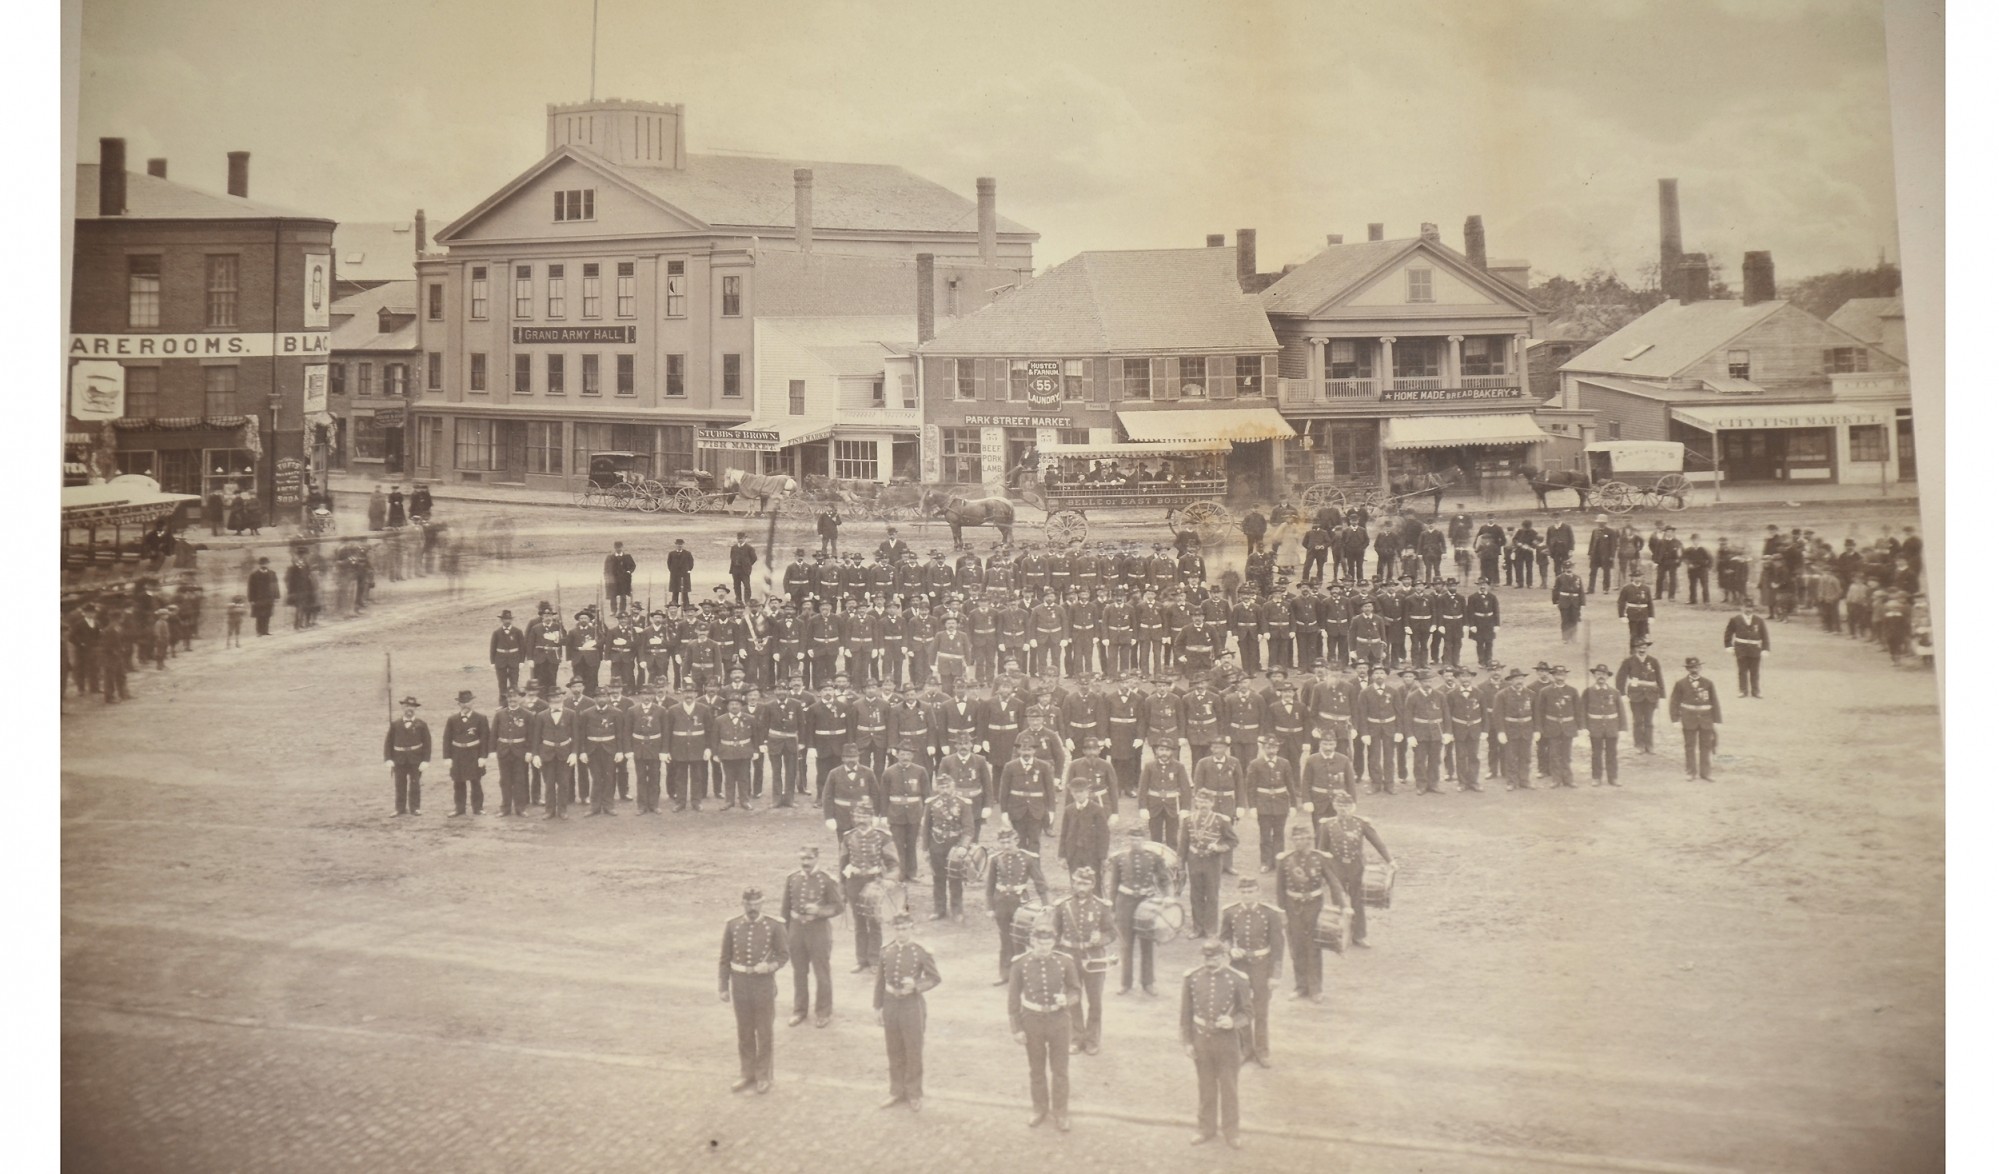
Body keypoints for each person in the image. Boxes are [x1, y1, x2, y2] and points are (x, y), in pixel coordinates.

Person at [1181, 938, 1252, 1149]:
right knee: (1206, 1087)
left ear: (1224, 957)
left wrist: (1233, 1021)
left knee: (1229, 1088)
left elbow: (1248, 1012)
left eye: (1213, 958)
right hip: (1201, 1039)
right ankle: (1205, 1128)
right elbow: (1186, 1014)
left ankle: (1231, 1132)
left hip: (1227, 1043)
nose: (1209, 962)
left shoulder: (1238, 979)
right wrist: (1187, 1042)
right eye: (1206, 957)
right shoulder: (1192, 978)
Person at [1009, 924, 1080, 1132]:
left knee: (1060, 1070)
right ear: (1032, 942)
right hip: (1032, 1020)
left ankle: (1061, 1112)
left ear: (1054, 943)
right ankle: (1039, 1108)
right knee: (1036, 1069)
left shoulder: (1065, 962)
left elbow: (1076, 991)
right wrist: (1016, 1028)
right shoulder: (1020, 964)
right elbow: (1013, 1000)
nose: (1044, 948)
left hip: (1059, 1022)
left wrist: (1066, 999)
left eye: (1048, 944)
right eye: (1040, 944)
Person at [718, 886, 789, 1095]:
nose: (752, 907)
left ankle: (763, 1075)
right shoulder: (732, 926)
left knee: (764, 1031)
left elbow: (784, 955)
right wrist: (723, 986)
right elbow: (724, 959)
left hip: (763, 986)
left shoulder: (774, 926)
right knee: (744, 1031)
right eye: (748, 903)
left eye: (756, 903)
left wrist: (769, 966)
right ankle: (746, 1073)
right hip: (739, 984)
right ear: (743, 903)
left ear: (762, 903)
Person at [873, 910, 941, 1112]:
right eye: (897, 928)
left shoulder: (920, 952)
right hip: (891, 1004)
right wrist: (878, 1007)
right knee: (893, 1049)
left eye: (904, 928)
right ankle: (896, 1090)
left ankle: (914, 1093)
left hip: (912, 1006)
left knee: (913, 1050)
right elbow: (879, 982)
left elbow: (934, 978)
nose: (901, 932)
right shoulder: (886, 951)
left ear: (911, 928)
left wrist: (916, 985)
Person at [1218, 874, 1285, 1067]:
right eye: (1243, 892)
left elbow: (1278, 947)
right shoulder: (1231, 912)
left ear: (1258, 892)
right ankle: (1245, 1049)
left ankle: (1262, 1051)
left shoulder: (1270, 914)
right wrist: (1231, 949)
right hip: (1239, 967)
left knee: (1261, 1011)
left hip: (1262, 966)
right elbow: (1223, 938)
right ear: (1238, 892)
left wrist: (1275, 975)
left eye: (1251, 891)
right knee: (1241, 1008)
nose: (1247, 895)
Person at [1276, 823, 1348, 1002]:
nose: (1299, 842)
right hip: (1293, 908)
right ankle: (1300, 986)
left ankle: (1315, 988)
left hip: (1314, 907)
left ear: (1310, 840)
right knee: (1297, 946)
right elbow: (1280, 889)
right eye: (1296, 839)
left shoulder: (1320, 859)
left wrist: (1343, 906)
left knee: (1313, 947)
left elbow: (1333, 883)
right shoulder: (1285, 860)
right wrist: (1282, 912)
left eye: (1303, 838)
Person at [1052, 865, 1115, 1055]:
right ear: (1073, 882)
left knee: (1095, 1002)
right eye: (1078, 882)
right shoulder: (1062, 906)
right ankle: (1076, 1038)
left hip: (1094, 959)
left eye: (1085, 884)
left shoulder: (1101, 906)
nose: (1081, 887)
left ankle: (1092, 1040)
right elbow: (1055, 935)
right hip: (1070, 958)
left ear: (1093, 885)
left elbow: (1111, 932)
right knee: (1073, 999)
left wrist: (1101, 938)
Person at [1317, 789, 1392, 947]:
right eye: (1339, 805)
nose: (1343, 809)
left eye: (1346, 806)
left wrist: (1390, 860)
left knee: (1357, 901)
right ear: (1334, 806)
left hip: (1356, 868)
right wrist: (1322, 873)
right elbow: (1322, 851)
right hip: (1336, 868)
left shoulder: (1360, 823)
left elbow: (1377, 842)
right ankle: (1338, 935)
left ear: (1352, 807)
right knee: (1339, 902)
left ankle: (1359, 936)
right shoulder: (1327, 825)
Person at [781, 845, 844, 1028]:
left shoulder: (826, 880)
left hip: (818, 932)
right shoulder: (792, 879)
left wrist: (819, 910)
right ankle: (799, 1010)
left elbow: (838, 907)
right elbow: (785, 909)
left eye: (809, 859)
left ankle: (824, 1012)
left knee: (821, 973)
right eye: (802, 859)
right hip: (796, 931)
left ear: (817, 858)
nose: (805, 863)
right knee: (799, 972)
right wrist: (785, 934)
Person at [1107, 823, 1173, 996]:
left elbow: (1165, 879)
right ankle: (1125, 983)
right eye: (1132, 839)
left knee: (1147, 944)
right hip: (1125, 904)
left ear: (1144, 840)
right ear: (1129, 840)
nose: (1135, 842)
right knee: (1126, 945)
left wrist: (1168, 897)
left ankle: (1148, 983)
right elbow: (1113, 885)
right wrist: (1111, 907)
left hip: (1146, 904)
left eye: (1138, 839)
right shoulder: (1119, 859)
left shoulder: (1154, 858)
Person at [841, 799, 899, 972]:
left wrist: (889, 879)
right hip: (854, 882)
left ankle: (874, 960)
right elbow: (842, 863)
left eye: (864, 815)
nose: (860, 819)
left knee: (874, 922)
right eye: (857, 815)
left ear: (871, 817)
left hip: (874, 882)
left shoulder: (883, 836)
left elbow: (894, 863)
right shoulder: (848, 837)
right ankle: (861, 959)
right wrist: (842, 888)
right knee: (859, 922)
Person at [986, 825, 1049, 983]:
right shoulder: (995, 859)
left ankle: (1022, 975)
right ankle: (1005, 975)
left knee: (1020, 938)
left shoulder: (1028, 858)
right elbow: (989, 886)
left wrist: (1046, 903)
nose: (1006, 846)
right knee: (1005, 939)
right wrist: (989, 907)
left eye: (1009, 842)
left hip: (1020, 903)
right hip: (1001, 903)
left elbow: (1039, 882)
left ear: (1016, 840)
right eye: (1002, 842)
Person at [1178, 789, 1238, 939]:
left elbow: (1233, 840)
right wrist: (1181, 866)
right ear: (1196, 802)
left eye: (1206, 802)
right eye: (1200, 801)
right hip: (1194, 860)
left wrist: (1219, 848)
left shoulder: (1221, 820)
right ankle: (1197, 928)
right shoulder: (1188, 820)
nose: (1202, 805)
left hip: (1212, 861)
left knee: (1212, 895)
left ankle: (1210, 929)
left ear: (1212, 803)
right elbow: (1183, 844)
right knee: (1195, 895)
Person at [1668, 657, 1722, 781]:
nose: (1694, 670)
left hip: (1706, 719)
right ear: (1687, 669)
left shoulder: (1708, 683)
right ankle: (1691, 772)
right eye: (1691, 667)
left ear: (1700, 668)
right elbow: (1674, 702)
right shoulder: (1680, 684)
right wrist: (1675, 720)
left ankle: (1705, 773)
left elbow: (1714, 701)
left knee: (1706, 746)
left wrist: (1717, 720)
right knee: (1690, 746)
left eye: (1696, 667)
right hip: (1689, 719)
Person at [442, 690, 492, 816]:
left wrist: (483, 756)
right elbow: (447, 739)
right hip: (457, 754)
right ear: (458, 704)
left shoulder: (481, 718)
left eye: (467, 702)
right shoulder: (452, 719)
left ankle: (478, 808)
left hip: (473, 754)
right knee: (458, 783)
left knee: (475, 782)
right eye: (462, 702)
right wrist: (447, 757)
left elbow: (485, 739)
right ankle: (459, 808)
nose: (465, 705)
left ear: (473, 702)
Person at [383, 696, 431, 816]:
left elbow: (427, 743)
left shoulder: (422, 724)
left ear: (415, 709)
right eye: (407, 707)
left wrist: (426, 760)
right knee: (400, 784)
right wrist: (388, 759)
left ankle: (415, 808)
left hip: (416, 759)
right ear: (402, 708)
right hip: (399, 759)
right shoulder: (395, 725)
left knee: (415, 784)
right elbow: (388, 743)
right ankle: (400, 808)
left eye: (412, 707)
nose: (409, 709)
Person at [1723, 602, 1772, 699]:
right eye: (1746, 607)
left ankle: (1756, 691)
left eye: (1750, 607)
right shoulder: (1735, 620)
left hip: (1755, 650)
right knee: (1742, 671)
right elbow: (1728, 634)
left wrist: (1765, 649)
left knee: (1755, 671)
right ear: (1742, 607)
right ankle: (1743, 690)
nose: (1748, 610)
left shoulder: (1759, 620)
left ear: (1753, 608)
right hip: (1741, 649)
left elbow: (1765, 635)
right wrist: (1728, 646)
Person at [489, 610, 527, 704]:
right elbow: (492, 648)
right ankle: (503, 703)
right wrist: (492, 662)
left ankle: (514, 701)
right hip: (500, 660)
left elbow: (522, 647)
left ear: (511, 620)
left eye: (509, 619)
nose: (507, 621)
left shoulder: (517, 631)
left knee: (514, 683)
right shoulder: (496, 632)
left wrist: (522, 661)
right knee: (502, 683)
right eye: (505, 619)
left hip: (514, 659)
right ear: (501, 620)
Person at [603, 542, 636, 614]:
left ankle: (622, 610)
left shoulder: (627, 556)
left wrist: (629, 572)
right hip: (613, 581)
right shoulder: (610, 557)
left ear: (622, 547)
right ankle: (613, 611)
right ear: (614, 548)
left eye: (620, 547)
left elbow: (633, 566)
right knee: (613, 596)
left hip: (624, 580)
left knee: (623, 596)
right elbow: (606, 569)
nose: (618, 549)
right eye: (617, 547)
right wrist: (608, 578)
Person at [729, 531, 758, 603]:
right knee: (736, 586)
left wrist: (747, 565)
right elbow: (731, 557)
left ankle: (747, 601)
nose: (740, 540)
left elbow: (754, 558)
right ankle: (738, 600)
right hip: (735, 569)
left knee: (747, 586)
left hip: (744, 570)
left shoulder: (749, 548)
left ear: (745, 538)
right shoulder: (734, 547)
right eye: (739, 538)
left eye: (742, 538)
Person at [667, 539, 694, 607]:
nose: (679, 546)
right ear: (675, 545)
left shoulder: (687, 553)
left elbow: (691, 563)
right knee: (675, 593)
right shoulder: (671, 554)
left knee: (685, 593)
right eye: (678, 544)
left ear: (683, 545)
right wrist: (673, 571)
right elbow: (669, 564)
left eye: (681, 544)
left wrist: (688, 570)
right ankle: (674, 607)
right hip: (675, 576)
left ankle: (686, 607)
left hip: (684, 576)